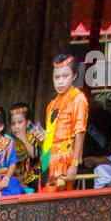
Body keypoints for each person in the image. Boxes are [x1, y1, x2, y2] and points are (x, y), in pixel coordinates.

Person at [41, 53, 88, 191]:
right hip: (49, 160)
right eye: (57, 77)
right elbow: (50, 135)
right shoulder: (52, 104)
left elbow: (80, 131)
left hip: (65, 160)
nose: (60, 81)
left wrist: (74, 163)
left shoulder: (78, 98)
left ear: (74, 76)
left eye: (65, 76)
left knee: (58, 202)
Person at [9, 103, 43, 191]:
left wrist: (24, 139)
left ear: (27, 123)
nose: (16, 126)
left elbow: (35, 156)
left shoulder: (34, 135)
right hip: (19, 180)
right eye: (13, 124)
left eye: (20, 122)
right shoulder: (9, 141)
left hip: (35, 177)